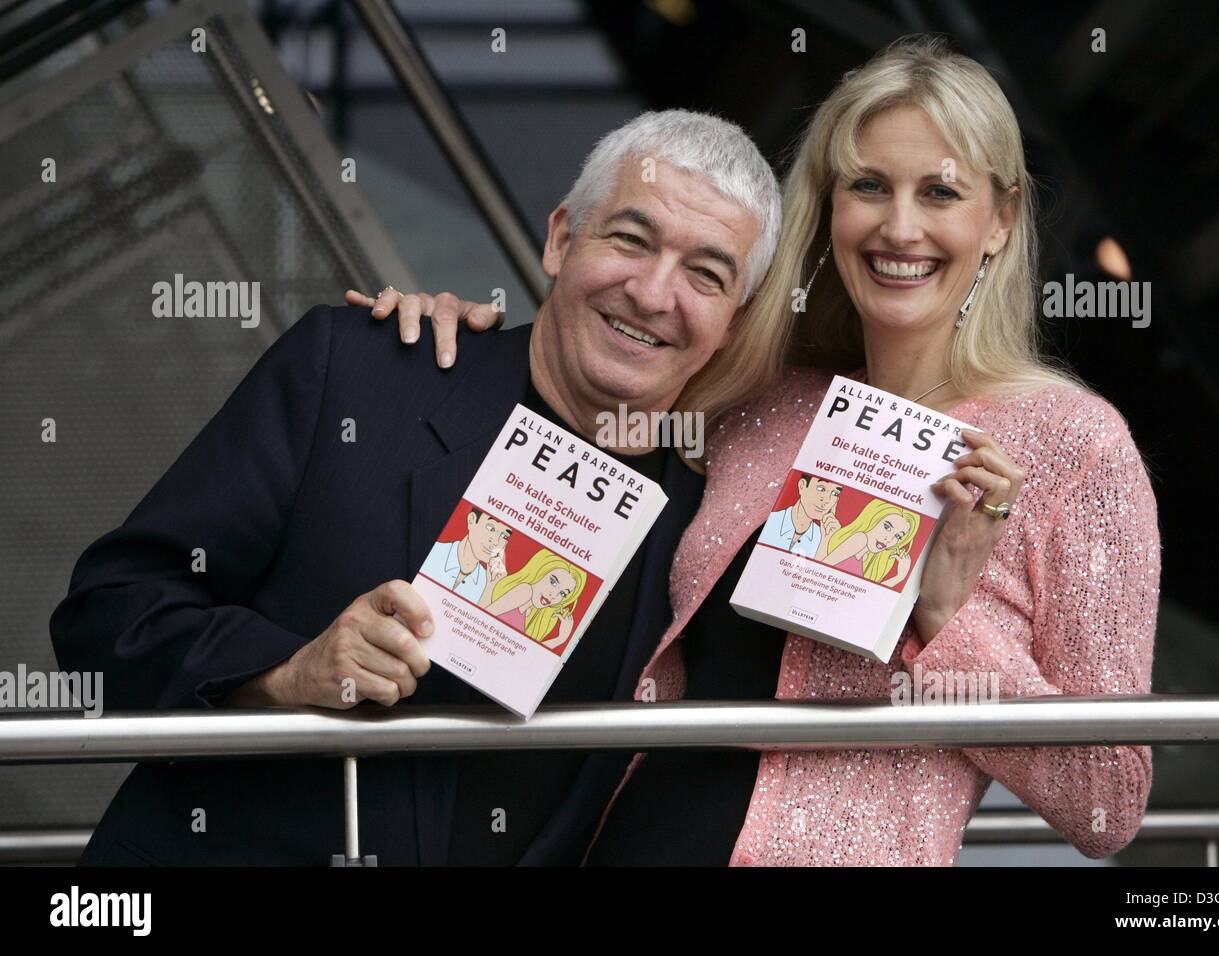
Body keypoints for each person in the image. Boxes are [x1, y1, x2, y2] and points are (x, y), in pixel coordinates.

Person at [361, 35, 1161, 866]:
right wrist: (448, 348)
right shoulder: (761, 402)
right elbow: (592, 387)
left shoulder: (1076, 451)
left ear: (998, 220)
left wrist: (947, 620)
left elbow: (1107, 803)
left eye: (941, 192)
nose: (900, 226)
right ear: (830, 205)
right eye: (869, 186)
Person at [48, 109, 782, 865]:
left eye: (707, 273)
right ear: (562, 238)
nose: (655, 293)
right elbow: (107, 613)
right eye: (631, 239)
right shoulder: (356, 376)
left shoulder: (708, 524)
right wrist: (287, 673)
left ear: (737, 320)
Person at [420, 508, 512, 604]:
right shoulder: (433, 551)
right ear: (471, 521)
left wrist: (490, 587)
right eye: (490, 528)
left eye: (504, 536)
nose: (495, 542)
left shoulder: (488, 583)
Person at [756, 474, 842, 558]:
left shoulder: (823, 538)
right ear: (802, 486)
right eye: (821, 488)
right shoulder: (772, 521)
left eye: (835, 493)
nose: (827, 500)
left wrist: (825, 542)